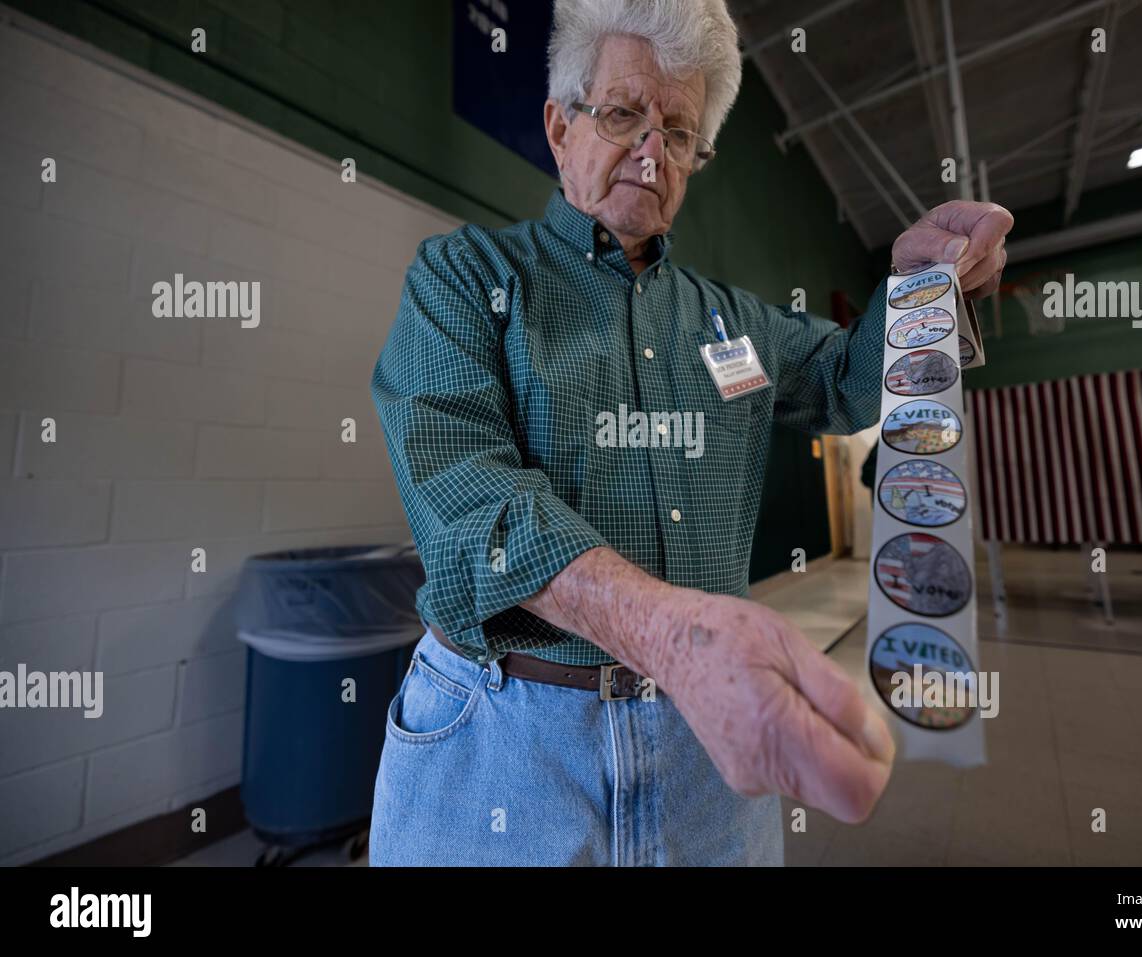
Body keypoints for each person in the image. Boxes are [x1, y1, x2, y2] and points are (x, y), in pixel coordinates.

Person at [368, 0, 1011, 866]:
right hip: (507, 738)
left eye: (679, 133)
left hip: (704, 754)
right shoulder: (464, 279)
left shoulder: (734, 326)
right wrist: (675, 636)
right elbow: (465, 498)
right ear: (560, 126)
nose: (652, 150)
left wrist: (924, 295)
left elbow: (844, 378)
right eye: (625, 113)